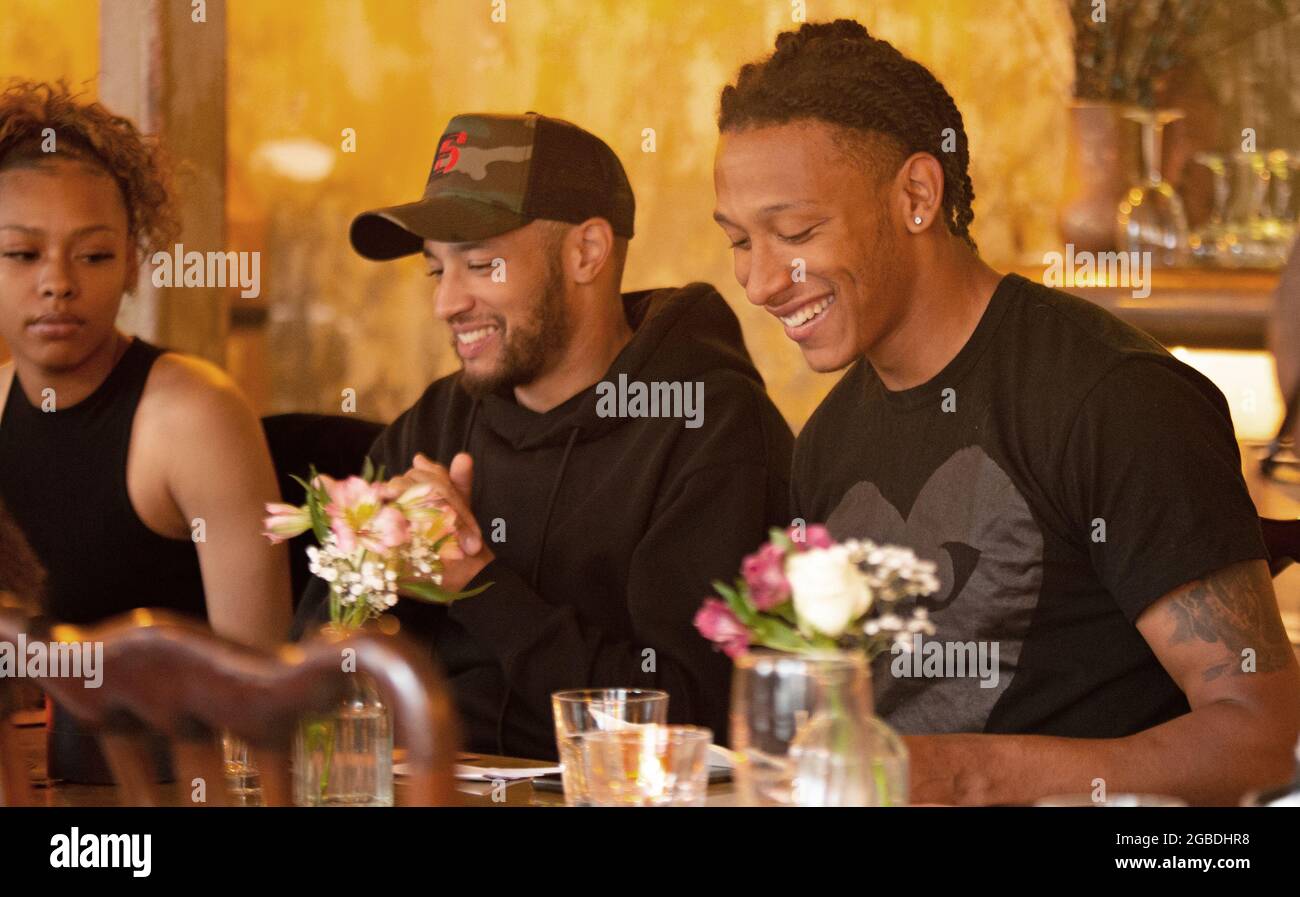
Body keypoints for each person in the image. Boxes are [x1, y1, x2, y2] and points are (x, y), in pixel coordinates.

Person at [711, 20, 1300, 805]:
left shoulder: (1115, 399)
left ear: (918, 195)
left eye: (795, 232)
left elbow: (1260, 739)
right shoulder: (825, 442)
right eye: (739, 242)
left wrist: (968, 773)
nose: (758, 283)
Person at [298, 112, 793, 759]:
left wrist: (477, 582)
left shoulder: (708, 426)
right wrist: (377, 576)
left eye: (479, 264)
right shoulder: (436, 422)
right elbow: (304, 669)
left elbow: (696, 721)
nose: (447, 302)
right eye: (436, 271)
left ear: (586, 251)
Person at [0, 82, 292, 778]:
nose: (58, 283)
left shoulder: (194, 415)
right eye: (22, 255)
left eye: (94, 256)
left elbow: (261, 694)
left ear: (133, 261)